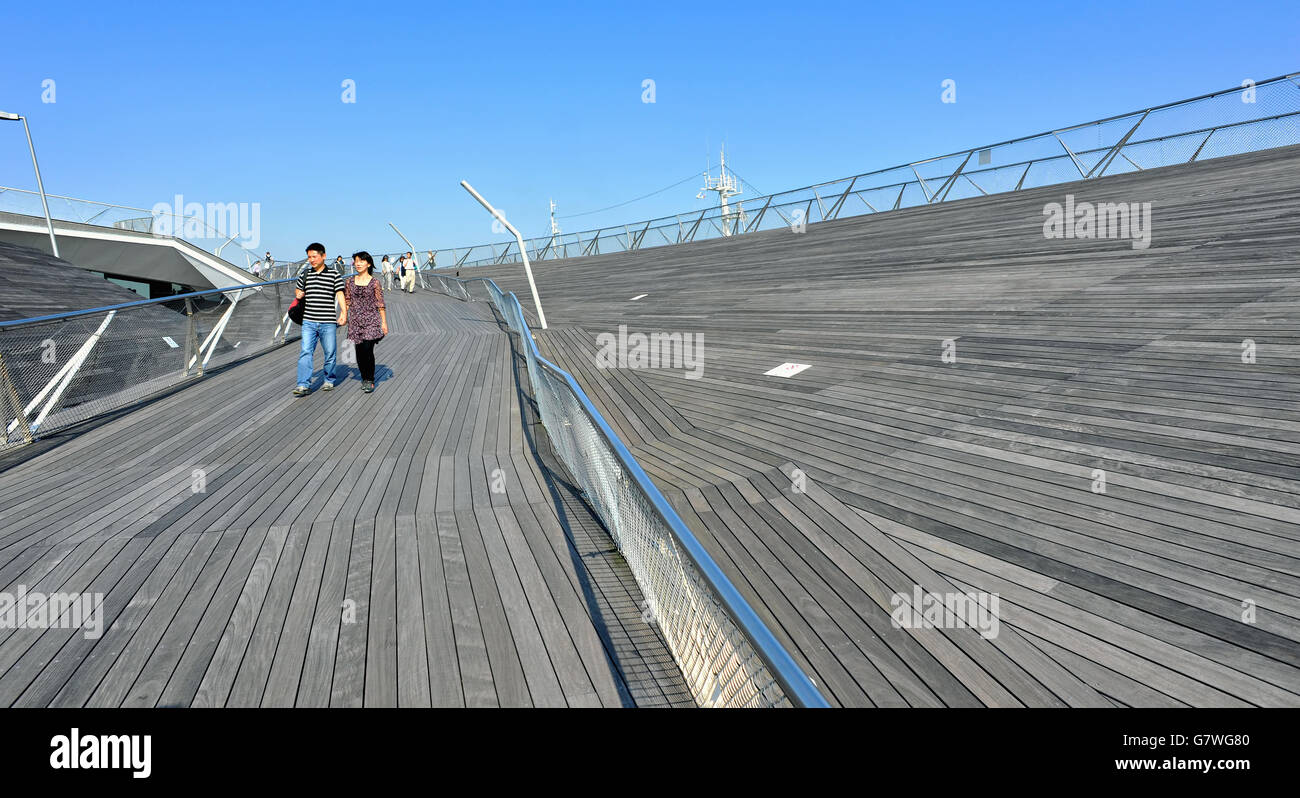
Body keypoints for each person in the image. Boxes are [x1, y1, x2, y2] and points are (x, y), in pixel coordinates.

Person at [293, 242, 347, 397]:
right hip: (308, 321)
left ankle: (329, 379)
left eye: (314, 256)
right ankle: (303, 384)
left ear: (323, 256)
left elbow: (340, 294)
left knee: (330, 352)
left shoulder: (334, 275)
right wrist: (298, 293)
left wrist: (344, 312)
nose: (311, 260)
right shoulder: (305, 274)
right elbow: (298, 289)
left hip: (328, 321)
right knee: (305, 352)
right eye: (309, 257)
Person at [344, 251, 388, 393]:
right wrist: (344, 315)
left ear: (368, 264)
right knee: (359, 352)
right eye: (356, 261)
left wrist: (384, 323)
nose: (358, 263)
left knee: (368, 349)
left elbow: (380, 303)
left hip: (371, 320)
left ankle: (369, 379)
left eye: (361, 261)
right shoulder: (349, 282)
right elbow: (347, 301)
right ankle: (364, 376)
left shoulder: (375, 282)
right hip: (355, 320)